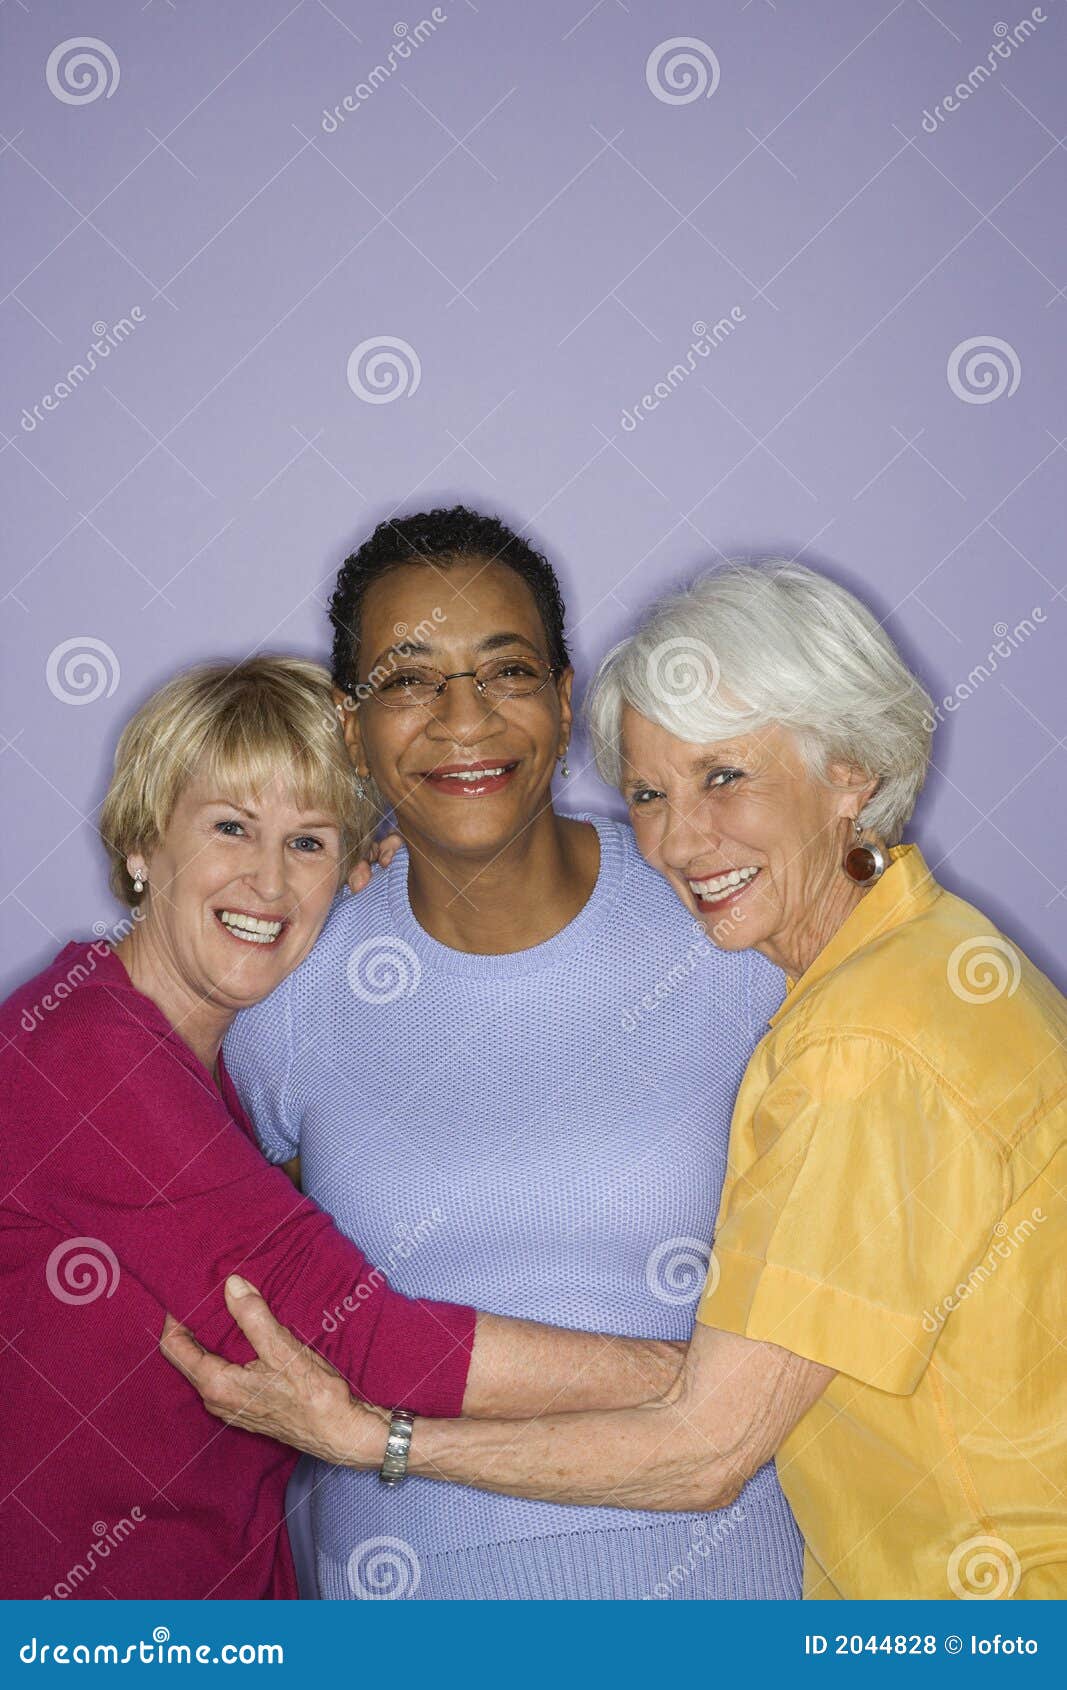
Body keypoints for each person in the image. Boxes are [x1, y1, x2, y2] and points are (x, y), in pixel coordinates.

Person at [170, 561, 1067, 1601]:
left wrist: (382, 1434)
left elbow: (708, 1442)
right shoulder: (889, 962)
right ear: (352, 722)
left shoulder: (843, 1022)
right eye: (648, 791)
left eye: (724, 775)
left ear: (849, 773)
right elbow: (230, 1282)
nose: (681, 839)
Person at [0, 656, 698, 1602]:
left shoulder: (208, 1071)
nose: (267, 881)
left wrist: (405, 861)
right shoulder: (85, 1057)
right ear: (141, 843)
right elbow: (366, 1341)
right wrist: (701, 1377)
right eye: (230, 828)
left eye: (309, 842)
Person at [206, 507, 803, 1600]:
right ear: (349, 728)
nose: (462, 719)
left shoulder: (719, 924)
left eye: (505, 670)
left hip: (725, 1595)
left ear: (567, 700)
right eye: (407, 679)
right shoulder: (287, 984)